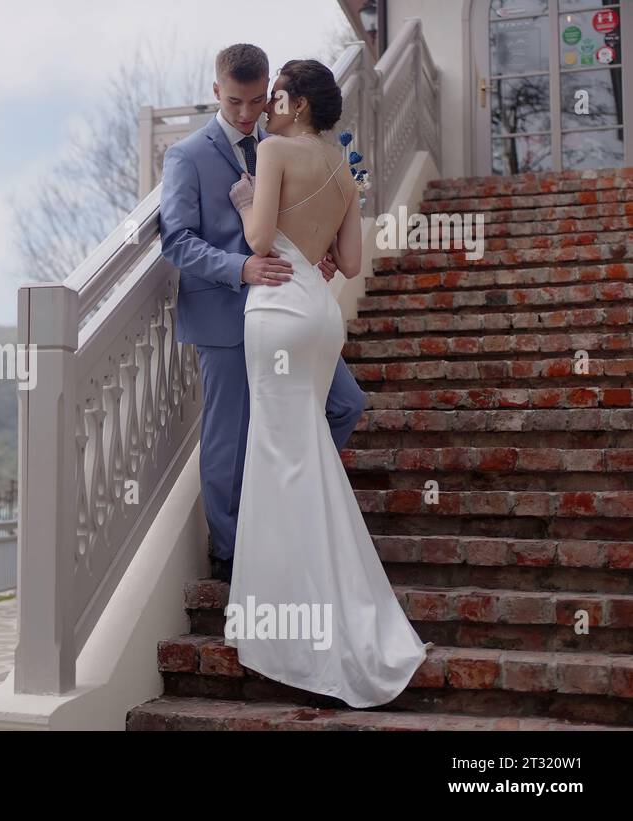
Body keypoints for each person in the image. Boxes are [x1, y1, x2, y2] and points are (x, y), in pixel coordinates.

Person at [221, 58, 432, 708]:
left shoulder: (277, 148)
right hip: (318, 315)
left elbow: (258, 238)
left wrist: (248, 198)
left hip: (280, 310)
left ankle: (301, 624)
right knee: (304, 456)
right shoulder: (343, 165)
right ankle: (325, 606)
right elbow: (350, 262)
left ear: (302, 104)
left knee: (283, 461)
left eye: (280, 94)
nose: (272, 104)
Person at [158, 44, 366, 586]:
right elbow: (177, 241)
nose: (247, 114)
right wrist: (240, 269)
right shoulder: (187, 155)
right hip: (226, 313)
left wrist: (311, 253)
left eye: (256, 100)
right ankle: (231, 555)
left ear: (271, 91)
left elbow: (298, 216)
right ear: (215, 92)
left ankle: (282, 514)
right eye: (234, 102)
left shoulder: (282, 144)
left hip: (288, 312)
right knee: (228, 441)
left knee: (345, 405)